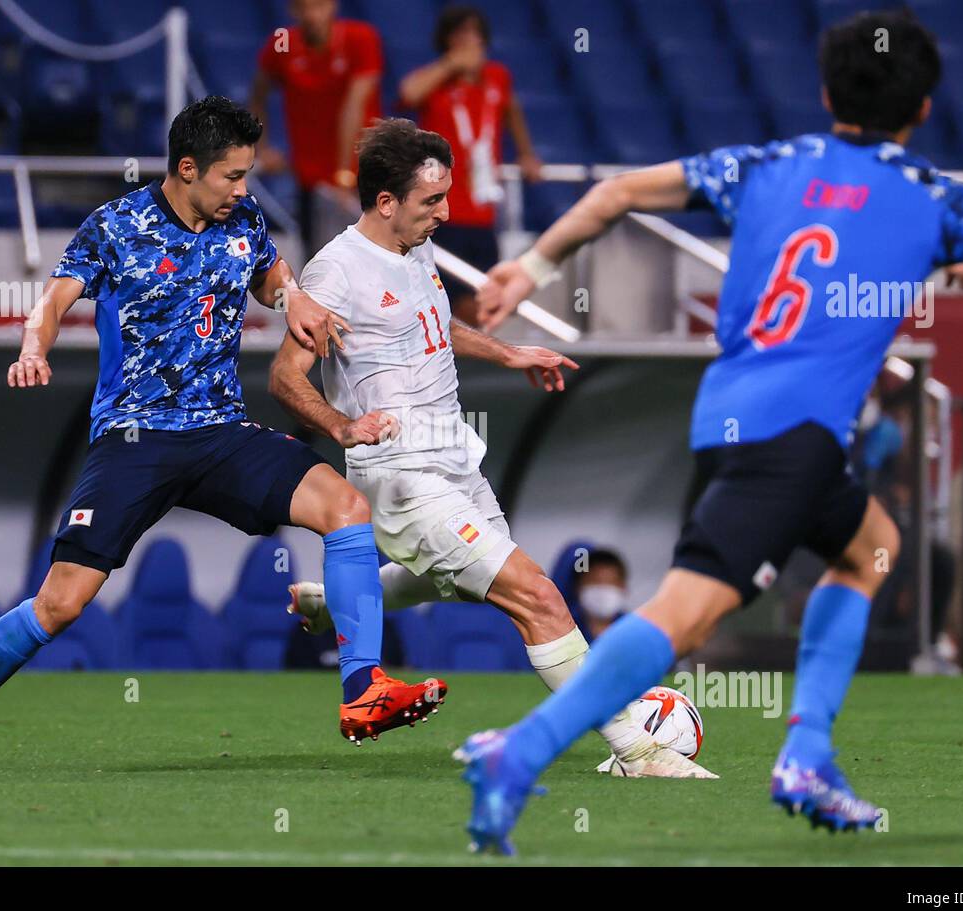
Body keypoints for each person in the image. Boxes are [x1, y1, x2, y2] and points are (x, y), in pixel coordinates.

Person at [457, 10, 963, 854]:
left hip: (737, 416)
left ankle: (809, 757)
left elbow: (615, 194)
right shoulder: (937, 197)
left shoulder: (768, 162)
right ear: (924, 108)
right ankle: (517, 751)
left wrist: (530, 266)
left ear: (826, 94)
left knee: (870, 548)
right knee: (690, 616)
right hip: (792, 435)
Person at [0, 96, 446, 773]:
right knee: (61, 602)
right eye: (231, 176)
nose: (244, 189)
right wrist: (32, 348)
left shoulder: (243, 219)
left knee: (346, 509)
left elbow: (271, 277)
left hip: (220, 431)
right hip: (136, 439)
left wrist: (296, 299)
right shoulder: (116, 226)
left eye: (248, 174)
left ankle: (362, 688)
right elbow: (53, 301)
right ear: (187, 169)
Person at [270, 118, 713, 780]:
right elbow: (284, 377)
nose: (446, 214)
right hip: (400, 471)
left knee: (452, 584)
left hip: (454, 457)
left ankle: (331, 601)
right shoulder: (335, 270)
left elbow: (433, 325)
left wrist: (508, 352)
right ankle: (636, 747)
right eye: (430, 202)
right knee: (535, 593)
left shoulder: (412, 249)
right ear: (385, 202)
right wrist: (340, 427)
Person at [398, 5, 543, 321]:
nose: (469, 41)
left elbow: (512, 112)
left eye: (474, 34)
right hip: (440, 209)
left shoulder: (497, 77)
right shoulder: (436, 81)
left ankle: (468, 361)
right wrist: (451, 64)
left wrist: (526, 153)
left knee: (481, 300)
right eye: (460, 34)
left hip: (481, 212)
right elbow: (408, 92)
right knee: (442, 300)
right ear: (447, 40)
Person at [250, 0, 383, 254]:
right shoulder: (282, 41)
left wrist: (344, 175)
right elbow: (257, 96)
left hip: (365, 174)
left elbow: (353, 108)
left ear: (333, 5)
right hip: (311, 180)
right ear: (293, 10)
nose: (312, 15)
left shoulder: (361, 37)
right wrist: (262, 146)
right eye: (304, 7)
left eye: (319, 6)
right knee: (318, 264)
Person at [573, 548, 630, 640]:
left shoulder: (635, 632)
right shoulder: (564, 631)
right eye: (594, 581)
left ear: (624, 588)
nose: (602, 589)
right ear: (578, 586)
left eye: (610, 582)